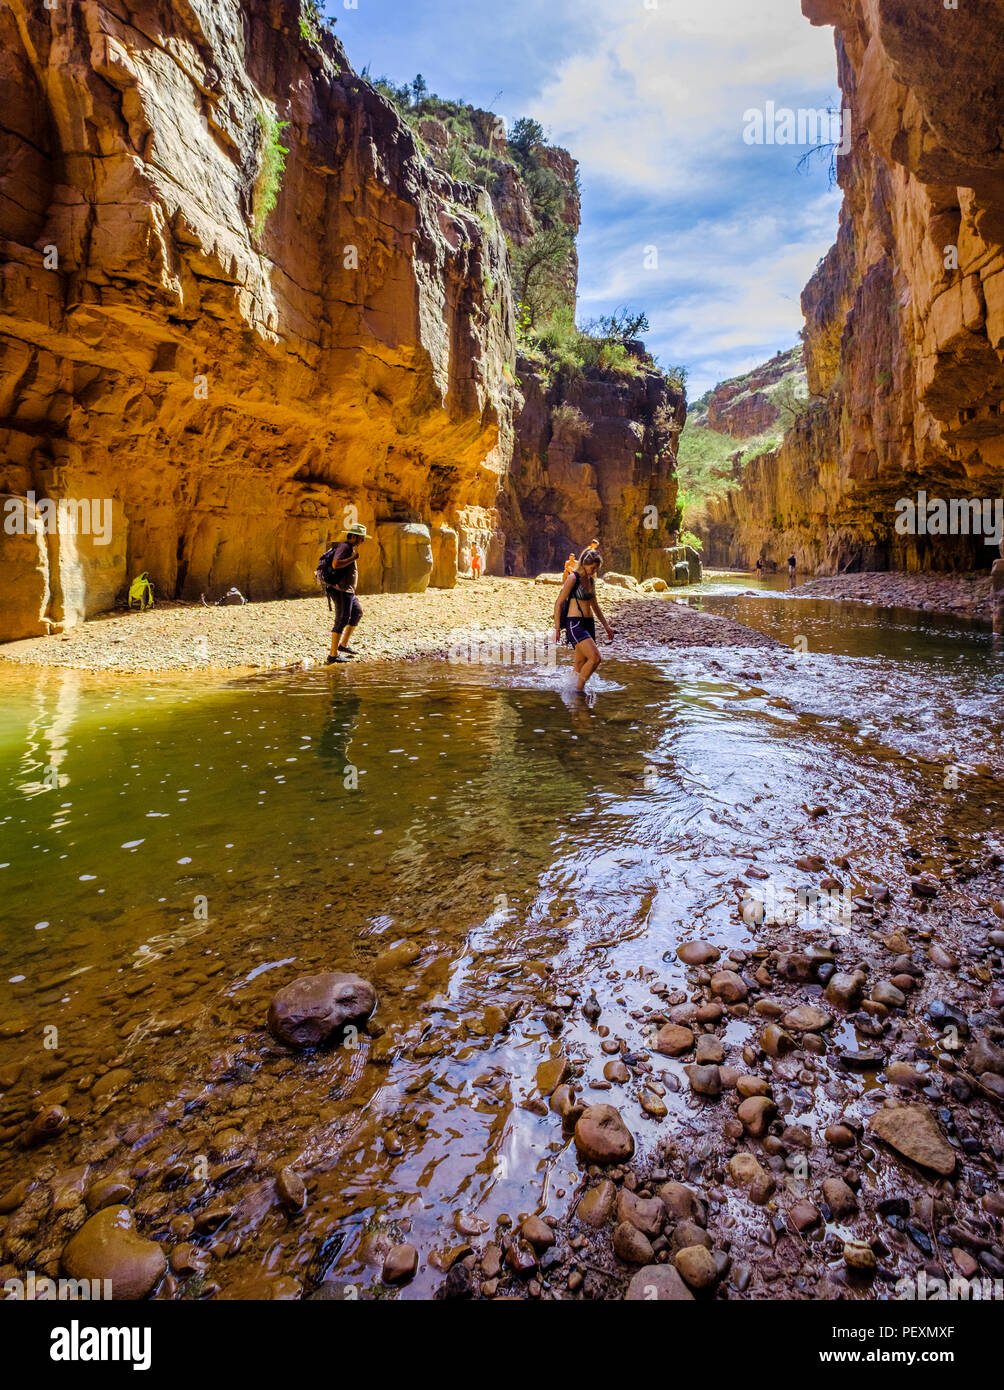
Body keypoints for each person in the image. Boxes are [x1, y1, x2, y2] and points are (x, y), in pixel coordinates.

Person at [554, 546, 614, 692]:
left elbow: (595, 606)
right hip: (575, 624)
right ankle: (578, 691)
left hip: (588, 624)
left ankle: (570, 697)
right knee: (595, 658)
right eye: (592, 568)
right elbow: (559, 602)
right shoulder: (573, 578)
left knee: (581, 662)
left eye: (596, 569)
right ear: (585, 564)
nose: (594, 571)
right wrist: (557, 628)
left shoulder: (591, 581)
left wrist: (606, 626)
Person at [319, 523, 369, 664]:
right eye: (360, 538)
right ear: (353, 536)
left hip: (348, 591)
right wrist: (353, 558)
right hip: (341, 590)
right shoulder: (345, 547)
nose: (362, 541)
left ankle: (343, 645)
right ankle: (333, 655)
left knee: (357, 613)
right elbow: (336, 564)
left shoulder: (349, 548)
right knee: (341, 620)